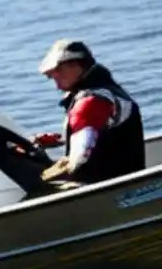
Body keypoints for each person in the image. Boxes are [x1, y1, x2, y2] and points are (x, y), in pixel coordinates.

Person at [31, 39, 145, 186]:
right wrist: (62, 141)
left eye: (59, 70)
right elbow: (104, 139)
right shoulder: (107, 90)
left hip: (108, 189)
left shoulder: (90, 102)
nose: (55, 78)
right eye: (51, 75)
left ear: (77, 65)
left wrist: (42, 176)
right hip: (124, 178)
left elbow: (79, 161)